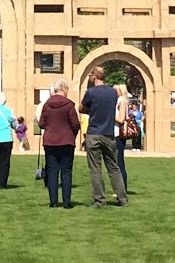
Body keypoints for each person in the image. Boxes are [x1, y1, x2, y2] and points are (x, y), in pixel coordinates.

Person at [79, 66, 128, 208]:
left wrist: (91, 109)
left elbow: (81, 108)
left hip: (94, 133)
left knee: (95, 168)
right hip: (109, 134)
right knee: (114, 167)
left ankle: (99, 200)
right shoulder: (113, 93)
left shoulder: (91, 92)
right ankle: (122, 198)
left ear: (94, 76)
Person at [38, 77, 80, 209]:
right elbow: (75, 124)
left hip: (50, 141)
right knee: (66, 171)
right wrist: (71, 134)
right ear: (63, 89)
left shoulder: (46, 105)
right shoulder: (69, 105)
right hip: (67, 141)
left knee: (52, 171)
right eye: (67, 89)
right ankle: (67, 202)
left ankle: (53, 201)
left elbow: (41, 123)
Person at [113, 85, 131, 194]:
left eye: (116, 90)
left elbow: (121, 119)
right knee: (116, 162)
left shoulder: (122, 101)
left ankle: (122, 188)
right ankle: (119, 188)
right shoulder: (117, 101)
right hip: (115, 134)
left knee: (119, 162)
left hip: (118, 134)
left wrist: (109, 114)